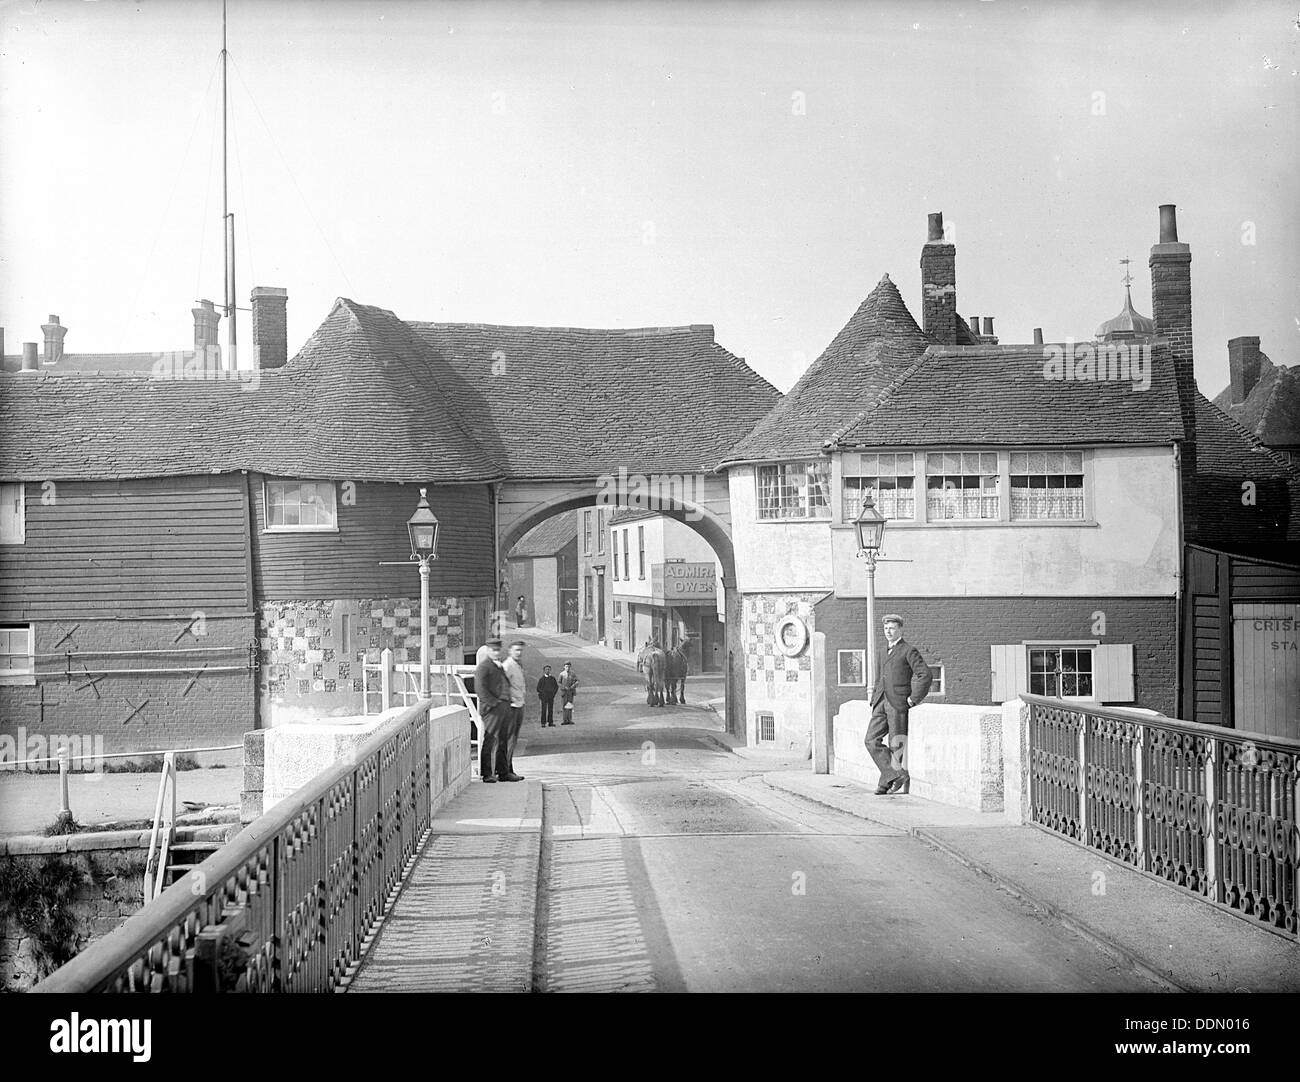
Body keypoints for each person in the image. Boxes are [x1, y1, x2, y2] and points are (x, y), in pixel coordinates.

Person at [866, 614, 932, 795]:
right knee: (871, 740)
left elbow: (924, 674)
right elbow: (880, 677)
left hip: (898, 703)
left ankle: (885, 783)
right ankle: (897, 774)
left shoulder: (908, 650)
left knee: (896, 745)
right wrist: (874, 697)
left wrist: (913, 698)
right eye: (886, 628)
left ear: (900, 630)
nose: (888, 631)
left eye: (892, 628)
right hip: (880, 701)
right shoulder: (882, 651)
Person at [473, 639, 519, 782]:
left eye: (498, 650)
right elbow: (480, 689)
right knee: (490, 740)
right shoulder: (484, 667)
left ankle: (503, 772)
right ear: (488, 650)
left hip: (504, 708)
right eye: (493, 650)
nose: (496, 652)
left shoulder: (497, 666)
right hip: (492, 709)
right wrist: (494, 703)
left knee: (503, 740)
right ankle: (487, 774)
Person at [499, 641, 527, 780]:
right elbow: (500, 685)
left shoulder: (517, 665)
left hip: (519, 704)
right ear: (510, 651)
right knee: (509, 739)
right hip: (511, 707)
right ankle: (505, 771)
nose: (519, 653)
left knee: (513, 739)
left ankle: (509, 769)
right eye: (516, 650)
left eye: (521, 650)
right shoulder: (508, 665)